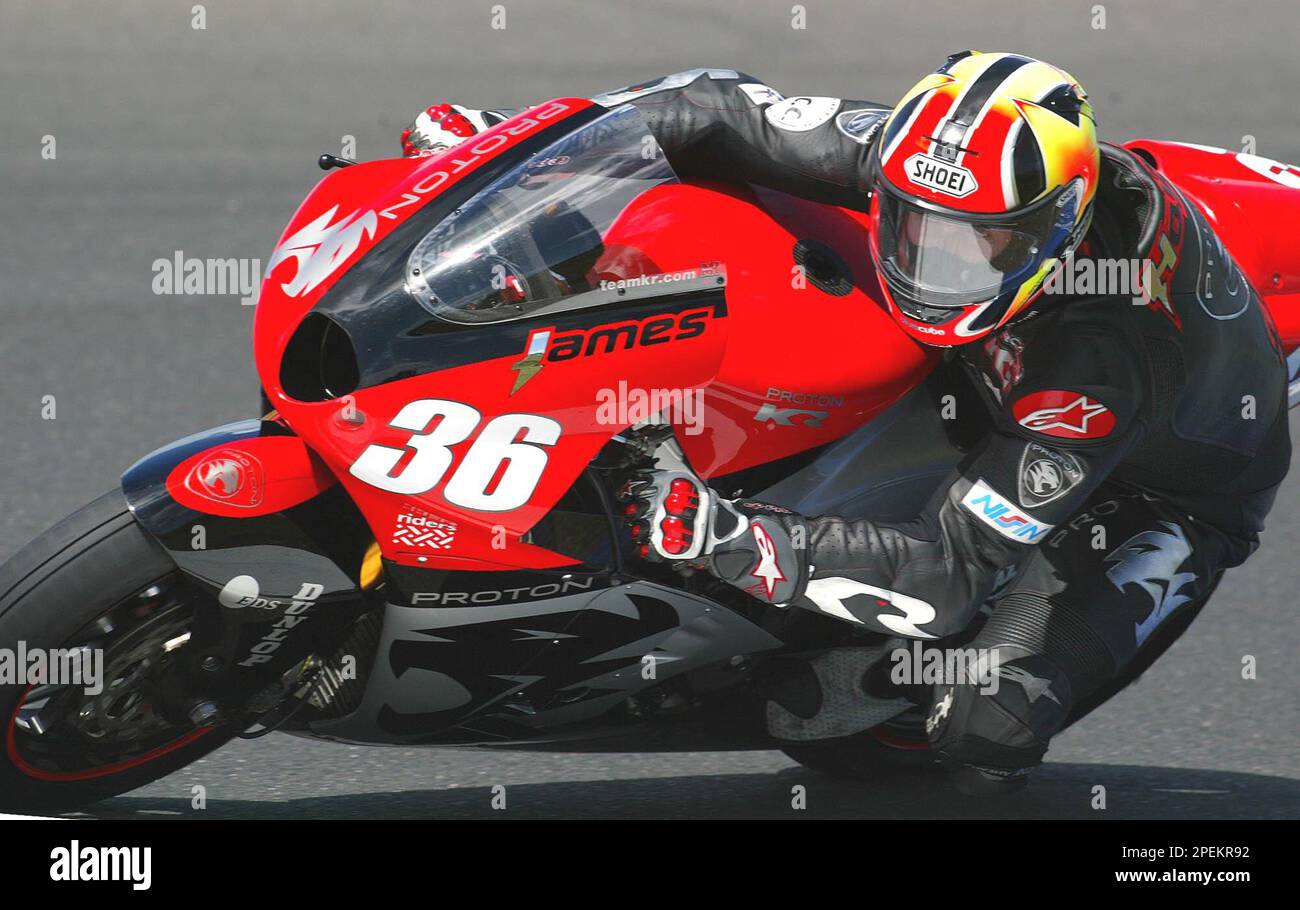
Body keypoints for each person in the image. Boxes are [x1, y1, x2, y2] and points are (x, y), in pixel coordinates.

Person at [403, 54, 1291, 791]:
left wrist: (729, 539)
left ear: (1054, 228)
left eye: (980, 245)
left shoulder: (1099, 362)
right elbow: (702, 106)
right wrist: (511, 149)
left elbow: (950, 570)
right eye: (914, 227)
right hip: (980, 373)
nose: (937, 264)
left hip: (1147, 488)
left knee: (986, 720)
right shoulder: (924, 156)